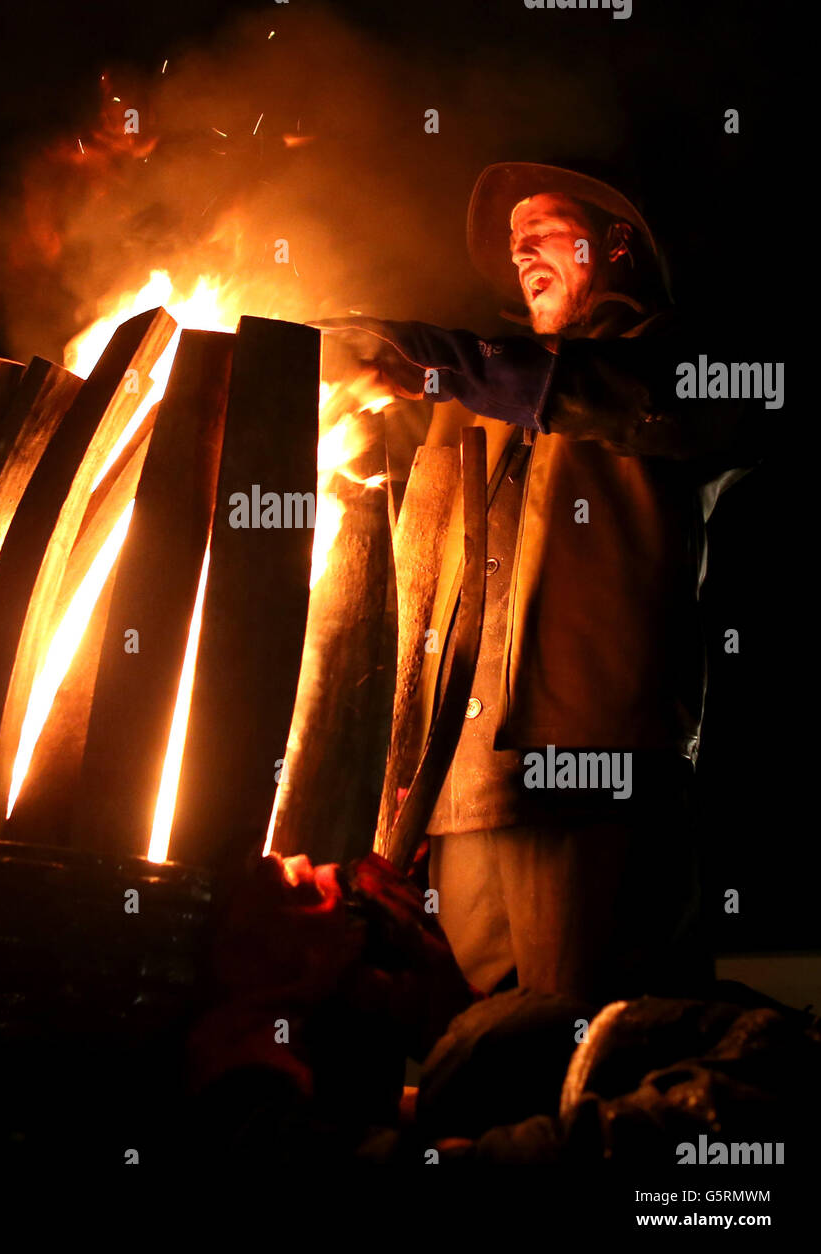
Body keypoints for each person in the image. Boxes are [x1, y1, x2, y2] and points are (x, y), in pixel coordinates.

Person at [317, 162, 757, 1003]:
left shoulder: (673, 360)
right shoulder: (476, 401)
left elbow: (615, 396)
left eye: (541, 229)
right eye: (515, 243)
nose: (518, 251)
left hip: (596, 775)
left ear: (617, 243)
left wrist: (425, 356)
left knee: (594, 1031)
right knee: (481, 1053)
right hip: (460, 795)